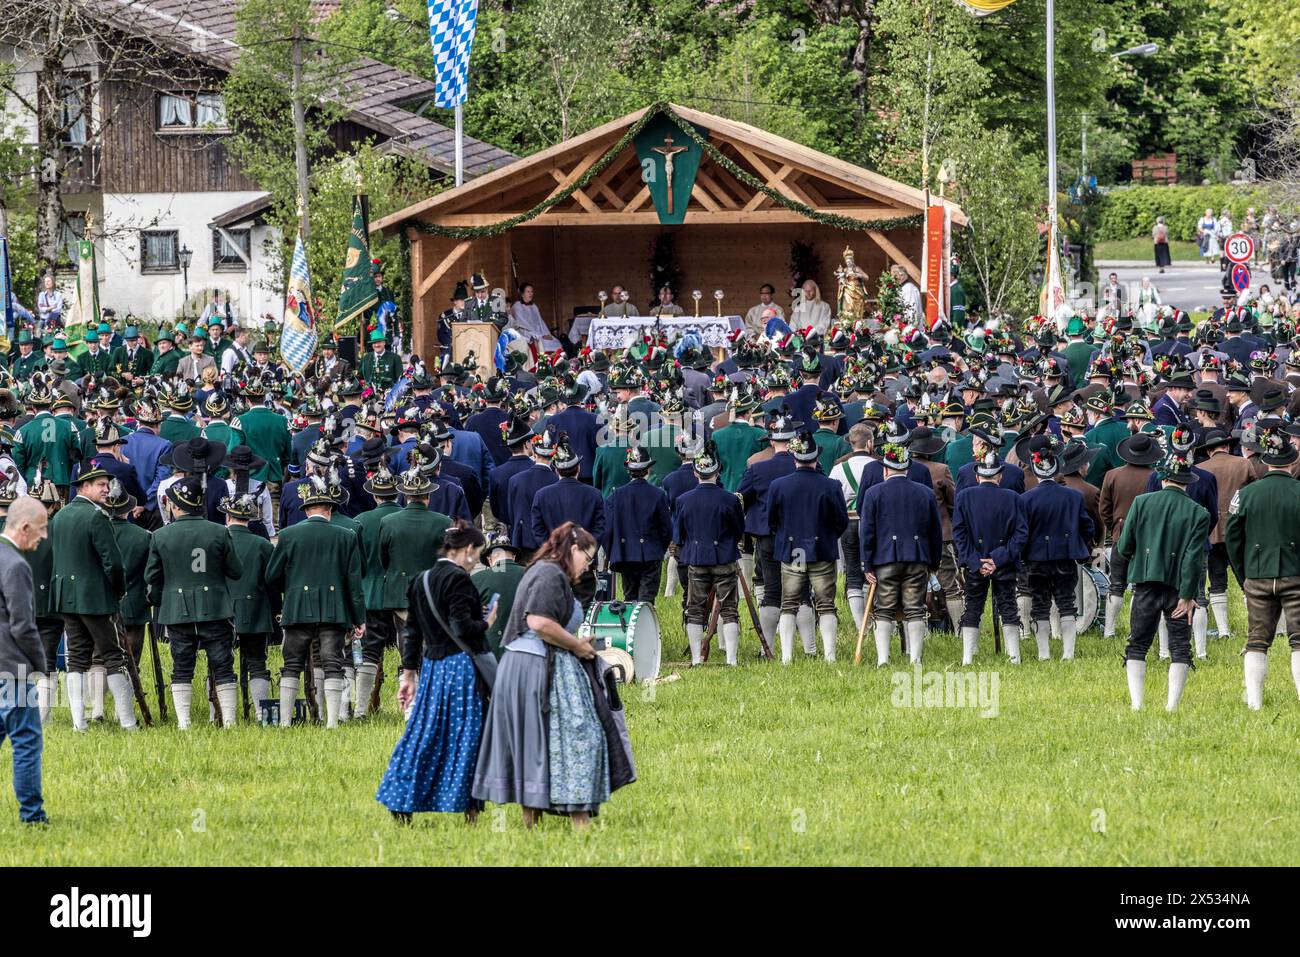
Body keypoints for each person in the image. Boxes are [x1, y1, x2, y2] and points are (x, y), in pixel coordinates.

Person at [472, 522, 609, 828]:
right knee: (570, 738)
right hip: (530, 665)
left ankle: (533, 824)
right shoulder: (549, 573)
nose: (587, 567)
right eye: (587, 558)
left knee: (534, 743)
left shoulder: (544, 571)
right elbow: (538, 623)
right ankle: (575, 821)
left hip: (526, 664)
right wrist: (576, 646)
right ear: (572, 550)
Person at [377, 520, 494, 825]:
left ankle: (401, 800)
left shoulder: (421, 580)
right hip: (460, 670)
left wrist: (408, 674)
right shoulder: (460, 581)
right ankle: (469, 810)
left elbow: (412, 632)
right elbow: (462, 627)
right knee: (465, 738)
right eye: (478, 553)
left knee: (423, 735)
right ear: (467, 549)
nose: (477, 561)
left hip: (432, 668)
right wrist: (486, 622)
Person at [265, 471, 366, 729]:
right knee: (333, 663)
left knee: (291, 664)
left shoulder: (288, 535)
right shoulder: (347, 536)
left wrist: (292, 590)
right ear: (329, 509)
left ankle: (285, 722)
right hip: (335, 610)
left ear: (307, 509)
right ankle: (331, 722)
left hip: (297, 607)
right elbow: (353, 584)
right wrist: (359, 619)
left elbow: (271, 575)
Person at [144, 475, 244, 728]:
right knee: (223, 665)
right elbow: (235, 571)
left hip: (177, 610)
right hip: (215, 607)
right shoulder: (220, 531)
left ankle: (184, 722)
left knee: (182, 666)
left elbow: (151, 576)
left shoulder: (160, 536)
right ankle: (230, 722)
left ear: (176, 506)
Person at [1116, 454, 1210, 711]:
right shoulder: (1199, 513)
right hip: (1179, 587)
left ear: (1163, 477)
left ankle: (1137, 704)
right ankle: (1172, 706)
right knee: (1180, 646)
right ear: (1187, 482)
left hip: (1145, 583)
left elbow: (1124, 547)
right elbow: (1193, 558)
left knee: (1137, 643)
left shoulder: (1141, 503)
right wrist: (1188, 594)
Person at [48, 463, 129, 731]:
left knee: (77, 658)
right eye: (100, 485)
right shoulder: (97, 517)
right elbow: (113, 563)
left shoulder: (59, 517)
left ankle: (78, 723)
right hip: (94, 597)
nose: (106, 489)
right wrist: (119, 589)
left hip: (66, 596)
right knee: (114, 656)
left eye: (107, 484)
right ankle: (128, 723)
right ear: (84, 487)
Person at [1225, 421, 1300, 710]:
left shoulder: (1245, 494)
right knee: (1298, 640)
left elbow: (1232, 538)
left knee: (1257, 639)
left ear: (1266, 461)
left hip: (1256, 574)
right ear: (1292, 461)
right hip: (1295, 572)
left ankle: (1255, 702)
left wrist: (1244, 574)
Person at [767, 430, 849, 663]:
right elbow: (841, 521)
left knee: (789, 604)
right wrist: (826, 536)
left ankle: (786, 657)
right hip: (822, 549)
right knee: (826, 605)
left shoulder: (778, 486)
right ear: (816, 459)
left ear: (795, 458)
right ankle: (830, 657)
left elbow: (772, 521)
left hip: (793, 551)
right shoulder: (831, 486)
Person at [859, 443, 944, 665]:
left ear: (885, 470)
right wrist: (934, 562)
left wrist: (867, 565)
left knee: (884, 609)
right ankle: (915, 659)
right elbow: (935, 532)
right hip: (918, 558)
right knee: (915, 608)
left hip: (884, 559)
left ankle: (882, 659)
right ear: (907, 468)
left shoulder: (872, 493)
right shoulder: (925, 493)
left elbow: (867, 532)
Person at [1018, 436, 1095, 661]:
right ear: (1055, 468)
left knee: (1040, 606)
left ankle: (1044, 654)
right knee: (1066, 604)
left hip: (1036, 558)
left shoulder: (1026, 499)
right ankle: (1068, 654)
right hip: (1065, 555)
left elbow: (1023, 532)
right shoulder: (1074, 496)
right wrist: (1082, 546)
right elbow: (1087, 526)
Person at [0, 496, 50, 825]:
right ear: (25, 526)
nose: (44, 536)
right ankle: (33, 817)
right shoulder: (16, 565)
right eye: (43, 528)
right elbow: (22, 625)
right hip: (13, 668)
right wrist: (42, 665)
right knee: (27, 742)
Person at [674, 441, 745, 665]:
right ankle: (731, 659)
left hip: (696, 557)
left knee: (694, 609)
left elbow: (679, 535)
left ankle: (696, 659)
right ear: (718, 471)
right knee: (730, 609)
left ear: (695, 472)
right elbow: (738, 531)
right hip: (724, 556)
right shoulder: (731, 499)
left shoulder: (683, 500)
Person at [952, 452, 1027, 664]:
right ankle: (1014, 656)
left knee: (972, 607)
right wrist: (998, 558)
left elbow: (959, 534)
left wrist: (976, 561)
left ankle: (967, 658)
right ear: (1000, 476)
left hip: (976, 563)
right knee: (1008, 607)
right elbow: (1021, 534)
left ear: (977, 477)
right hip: (1003, 562)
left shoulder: (963, 497)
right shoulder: (1014, 498)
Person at [603, 446, 671, 603]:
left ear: (629, 470)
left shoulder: (616, 495)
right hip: (651, 553)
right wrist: (658, 549)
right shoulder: (658, 495)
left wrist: (614, 552)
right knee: (647, 601)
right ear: (649, 469)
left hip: (626, 553)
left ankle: (631, 627)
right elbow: (666, 530)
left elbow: (607, 530)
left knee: (630, 598)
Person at [471, 525, 527, 658]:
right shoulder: (532, 574)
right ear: (513, 557)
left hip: (491, 653)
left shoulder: (476, 579)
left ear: (490, 560)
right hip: (526, 652)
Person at [508, 283, 560, 353]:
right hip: (524, 332)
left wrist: (546, 333)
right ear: (522, 294)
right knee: (541, 341)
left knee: (555, 341)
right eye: (528, 292)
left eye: (532, 291)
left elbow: (540, 321)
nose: (531, 294)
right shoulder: (517, 306)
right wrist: (540, 335)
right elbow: (522, 324)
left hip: (538, 332)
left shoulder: (534, 306)